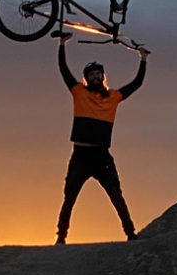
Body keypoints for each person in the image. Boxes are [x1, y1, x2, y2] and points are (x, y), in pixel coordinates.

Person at [54, 33, 148, 244]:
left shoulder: (114, 97)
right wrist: (62, 44)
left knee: (116, 196)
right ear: (87, 78)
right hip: (80, 155)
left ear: (103, 77)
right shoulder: (78, 92)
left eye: (98, 74)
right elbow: (64, 70)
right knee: (69, 197)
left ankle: (131, 234)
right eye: (91, 74)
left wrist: (143, 59)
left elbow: (136, 84)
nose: (95, 77)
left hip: (101, 156)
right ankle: (61, 238)